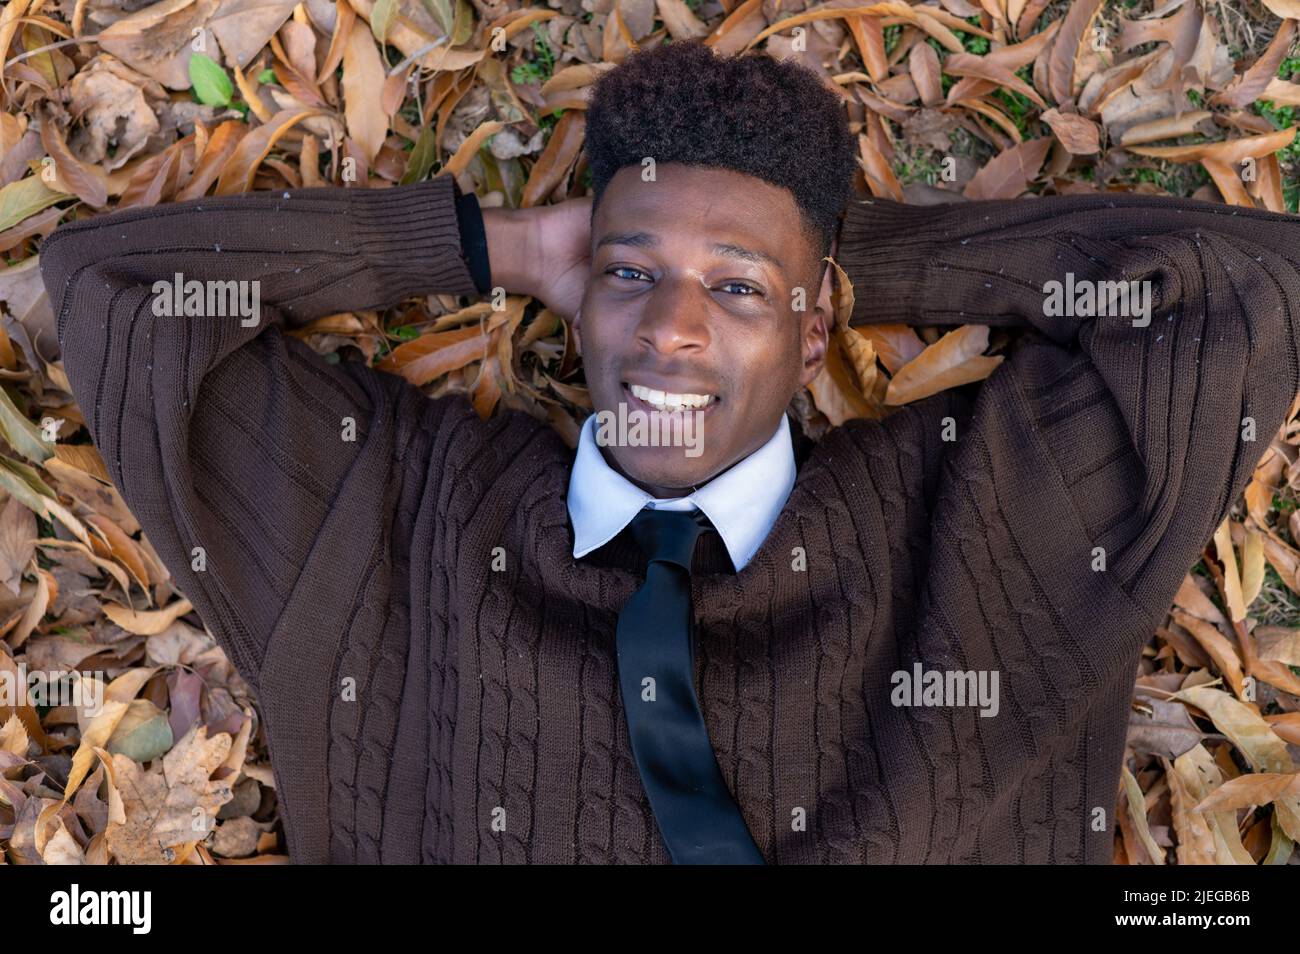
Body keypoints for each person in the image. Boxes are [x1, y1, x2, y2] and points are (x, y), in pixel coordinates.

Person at [39, 39, 1300, 864]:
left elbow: (1242, 292)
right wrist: (498, 249)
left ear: (815, 338)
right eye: (628, 272)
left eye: (734, 294)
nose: (673, 330)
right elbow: (112, 292)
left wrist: (843, 267)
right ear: (577, 299)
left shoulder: (979, 524)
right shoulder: (389, 520)